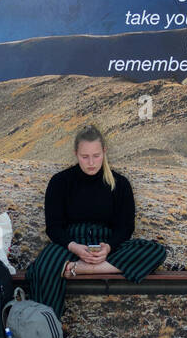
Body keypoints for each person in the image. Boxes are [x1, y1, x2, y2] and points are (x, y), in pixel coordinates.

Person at [26, 124, 166, 317]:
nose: (91, 162)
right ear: (76, 154)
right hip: (69, 244)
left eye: (96, 155)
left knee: (155, 251)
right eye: (85, 157)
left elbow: (125, 227)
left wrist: (108, 248)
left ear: (104, 152)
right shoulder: (60, 182)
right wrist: (74, 247)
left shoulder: (120, 184)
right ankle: (46, 328)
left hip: (107, 245)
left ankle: (78, 269)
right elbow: (54, 227)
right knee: (43, 267)